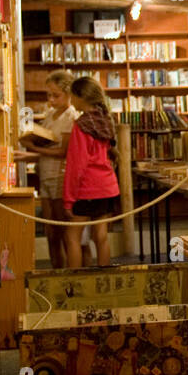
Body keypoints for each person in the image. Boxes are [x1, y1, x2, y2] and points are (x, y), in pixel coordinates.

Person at [21, 70, 77, 268]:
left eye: (56, 95)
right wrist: (25, 155)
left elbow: (64, 152)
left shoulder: (71, 116)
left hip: (61, 177)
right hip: (45, 176)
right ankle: (55, 270)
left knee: (64, 232)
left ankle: (66, 276)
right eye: (49, 95)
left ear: (68, 94)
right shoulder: (51, 115)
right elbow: (47, 148)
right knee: (50, 232)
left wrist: (33, 148)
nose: (51, 100)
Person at [63, 76, 120, 267]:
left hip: (87, 189)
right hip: (108, 187)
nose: (71, 101)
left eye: (72, 97)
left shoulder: (81, 125)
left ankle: (74, 283)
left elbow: (76, 166)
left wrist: (69, 199)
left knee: (72, 237)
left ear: (80, 97)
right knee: (101, 236)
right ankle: (105, 279)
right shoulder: (105, 121)